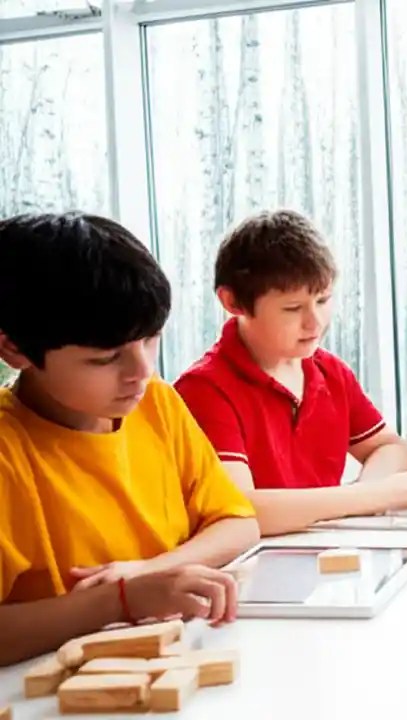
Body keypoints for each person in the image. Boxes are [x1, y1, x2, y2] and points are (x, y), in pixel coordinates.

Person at [0, 213, 259, 666]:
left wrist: (148, 575)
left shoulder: (157, 404)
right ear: (14, 349)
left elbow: (239, 523)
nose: (141, 371)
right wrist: (121, 599)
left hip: (176, 663)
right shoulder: (9, 451)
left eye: (151, 339)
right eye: (105, 358)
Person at [175, 210, 407, 537]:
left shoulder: (328, 371)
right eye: (293, 308)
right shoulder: (205, 388)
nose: (315, 322)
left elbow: (391, 448)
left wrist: (362, 501)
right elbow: (240, 509)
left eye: (323, 300)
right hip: (253, 571)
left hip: (327, 553)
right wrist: (365, 497)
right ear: (233, 302)